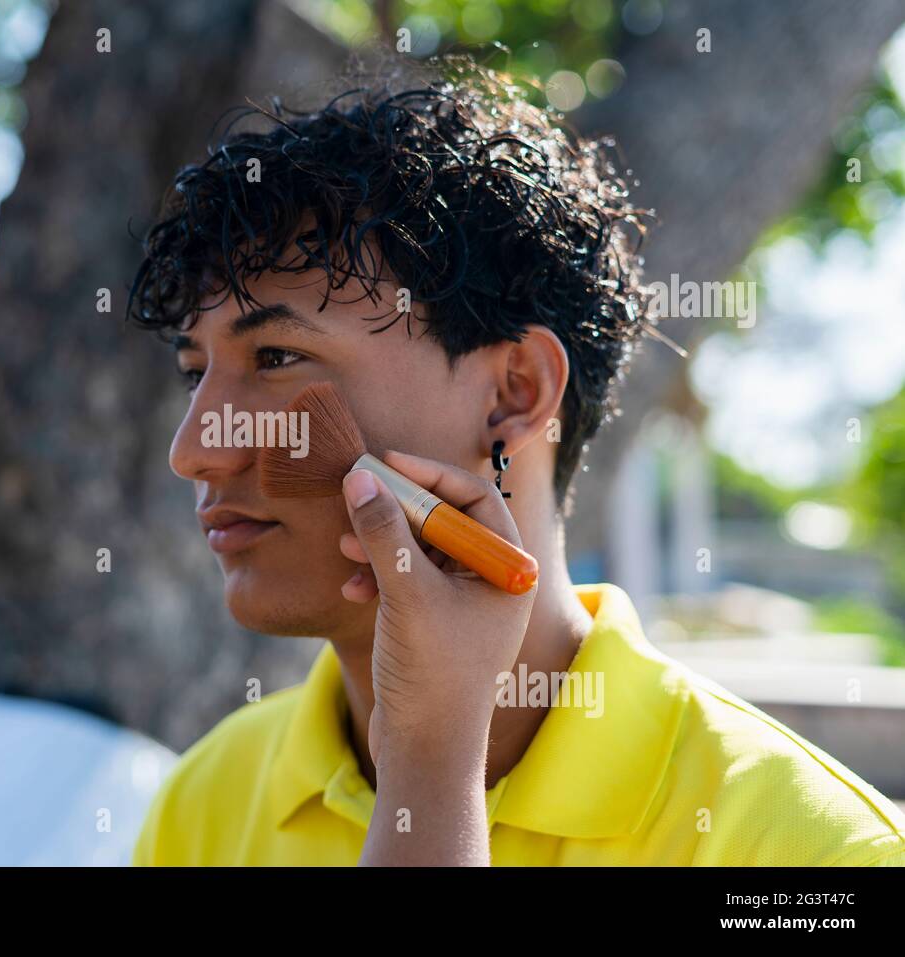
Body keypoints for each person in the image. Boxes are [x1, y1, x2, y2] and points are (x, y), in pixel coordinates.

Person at [125, 60, 905, 866]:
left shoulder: (811, 851)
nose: (193, 450)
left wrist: (432, 761)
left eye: (277, 356)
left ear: (515, 392)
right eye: (194, 372)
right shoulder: (203, 804)